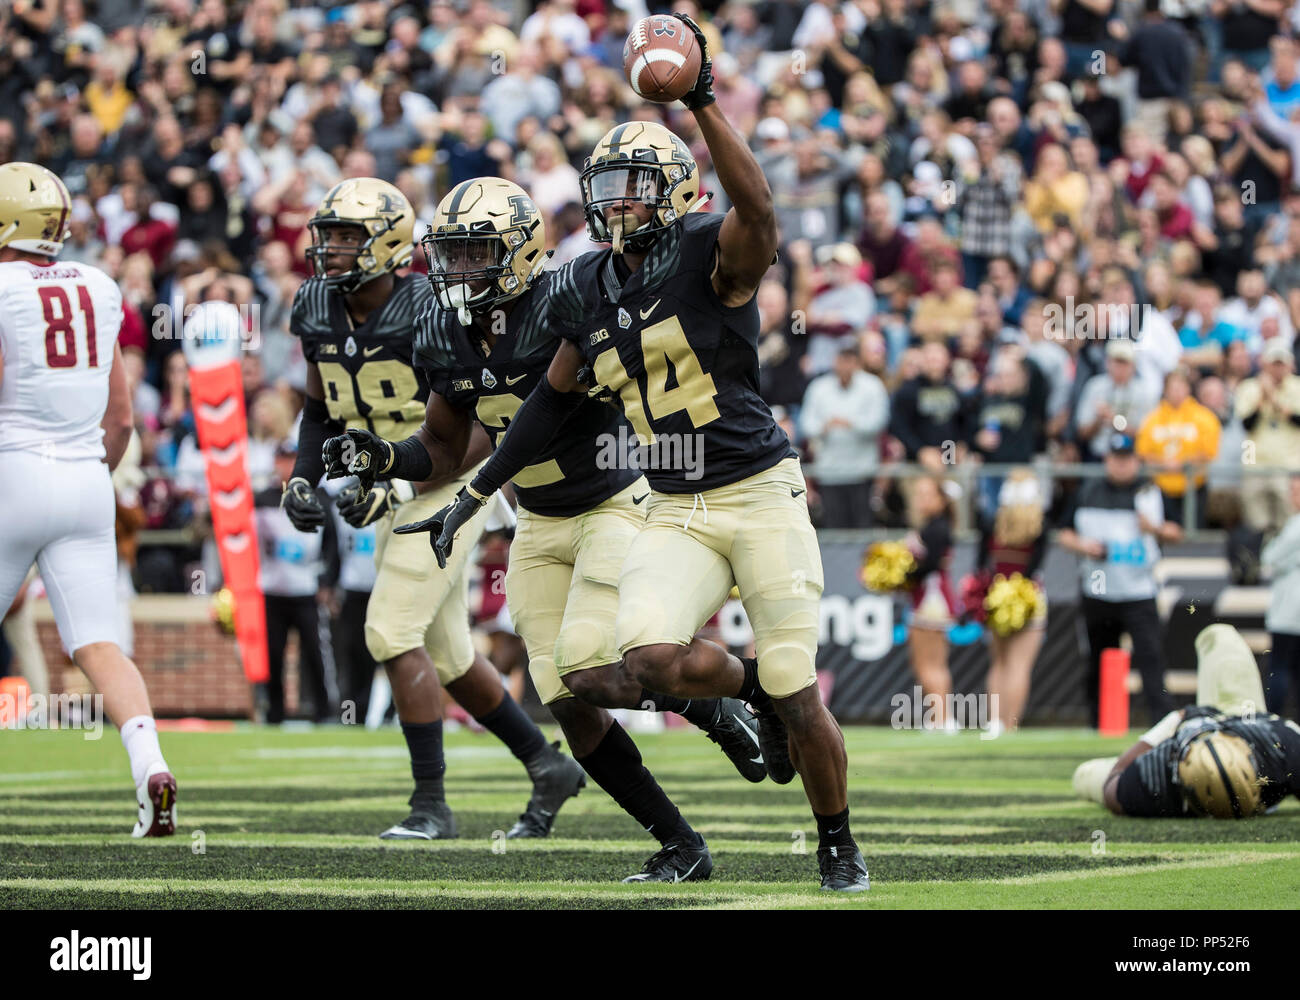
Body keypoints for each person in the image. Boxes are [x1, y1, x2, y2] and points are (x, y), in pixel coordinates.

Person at [392, 20, 869, 892]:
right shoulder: (580, 282)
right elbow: (548, 404)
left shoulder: (706, 256)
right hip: (674, 501)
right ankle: (750, 702)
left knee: (799, 679)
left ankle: (838, 842)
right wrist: (474, 493)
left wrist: (704, 104)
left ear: (677, 192)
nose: (617, 203)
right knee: (635, 664)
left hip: (758, 489)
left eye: (635, 187)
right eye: (606, 187)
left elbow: (759, 214)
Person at [326, 177, 765, 880]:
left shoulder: (567, 300)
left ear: (522, 254)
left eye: (477, 254)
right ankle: (681, 842)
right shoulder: (442, 324)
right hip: (537, 518)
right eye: (453, 253)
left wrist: (472, 493)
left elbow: (547, 413)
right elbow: (442, 444)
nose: (460, 269)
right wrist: (386, 459)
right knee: (568, 699)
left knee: (592, 668)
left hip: (613, 503)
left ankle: (746, 694)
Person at [279, 177, 585, 841]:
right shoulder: (315, 305)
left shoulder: (433, 305)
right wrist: (301, 478)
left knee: (389, 632)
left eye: (346, 237)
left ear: (386, 242)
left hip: (451, 483)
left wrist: (392, 482)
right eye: (325, 235)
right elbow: (318, 406)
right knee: (446, 655)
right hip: (389, 474)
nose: (329, 249)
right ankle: (545, 764)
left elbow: (473, 425)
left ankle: (430, 806)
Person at [0, 162, 176, 837]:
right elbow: (123, 420)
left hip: (15, 471)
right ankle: (151, 767)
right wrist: (84, 478)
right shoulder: (97, 286)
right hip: (85, 481)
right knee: (100, 645)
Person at [1073, 625, 1298, 818]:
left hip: (1221, 723)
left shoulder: (1158, 780)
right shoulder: (1282, 748)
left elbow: (1113, 780)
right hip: (1221, 723)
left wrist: (1166, 728)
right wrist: (1175, 723)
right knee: (1221, 636)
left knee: (1087, 775)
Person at [1058, 431, 1183, 727]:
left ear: (1136, 461)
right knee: (1099, 660)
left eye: (1127, 460)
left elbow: (1177, 532)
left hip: (1138, 589)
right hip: (1099, 590)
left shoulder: (1150, 491)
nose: (1121, 466)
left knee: (1151, 658)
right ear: (1107, 460)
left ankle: (1162, 724)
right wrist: (1084, 546)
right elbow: (1064, 533)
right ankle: (1100, 722)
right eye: (1116, 459)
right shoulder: (1087, 491)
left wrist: (1154, 528)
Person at [254, 440, 333, 723]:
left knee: (314, 651)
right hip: (273, 588)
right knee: (274, 652)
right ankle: (275, 710)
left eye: (291, 459)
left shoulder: (319, 497)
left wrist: (325, 581)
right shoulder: (262, 499)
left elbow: (332, 544)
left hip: (306, 588)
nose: (285, 466)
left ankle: (323, 709)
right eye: (282, 459)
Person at [976, 470, 1048, 734]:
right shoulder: (1039, 527)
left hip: (999, 596)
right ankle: (1009, 725)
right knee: (1019, 665)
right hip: (1027, 598)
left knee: (999, 662)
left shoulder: (993, 524)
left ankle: (995, 722)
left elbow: (981, 567)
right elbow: (1033, 570)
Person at [799, 344, 890, 528]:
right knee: (834, 527)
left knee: (862, 526)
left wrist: (850, 423)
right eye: (841, 361)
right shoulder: (818, 388)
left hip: (862, 471)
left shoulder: (872, 386)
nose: (845, 366)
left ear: (857, 363)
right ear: (834, 362)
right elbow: (806, 424)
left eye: (849, 361)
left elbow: (879, 421)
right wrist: (824, 427)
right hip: (829, 471)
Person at [903, 475, 958, 730]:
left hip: (931, 601)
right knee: (926, 662)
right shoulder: (933, 525)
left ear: (941, 499)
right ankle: (940, 717)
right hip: (926, 599)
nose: (922, 499)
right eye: (919, 494)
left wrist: (902, 577)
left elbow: (932, 565)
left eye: (928, 494)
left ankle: (944, 718)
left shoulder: (937, 527)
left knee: (929, 663)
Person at [1134, 366, 1221, 527]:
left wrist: (1182, 463)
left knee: (1193, 534)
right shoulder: (1152, 419)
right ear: (1165, 390)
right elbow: (1143, 452)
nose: (1177, 392)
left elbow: (1209, 451)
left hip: (1194, 486)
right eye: (1173, 388)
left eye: (1181, 386)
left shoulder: (1204, 417)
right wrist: (1164, 464)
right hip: (1161, 487)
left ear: (1188, 388)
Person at [1262, 474, 1300, 715]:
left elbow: (1270, 558)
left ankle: (1272, 721)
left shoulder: (1296, 525)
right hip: (1289, 608)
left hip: (1289, 610)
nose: (1293, 497)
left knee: (1280, 667)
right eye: (1292, 491)